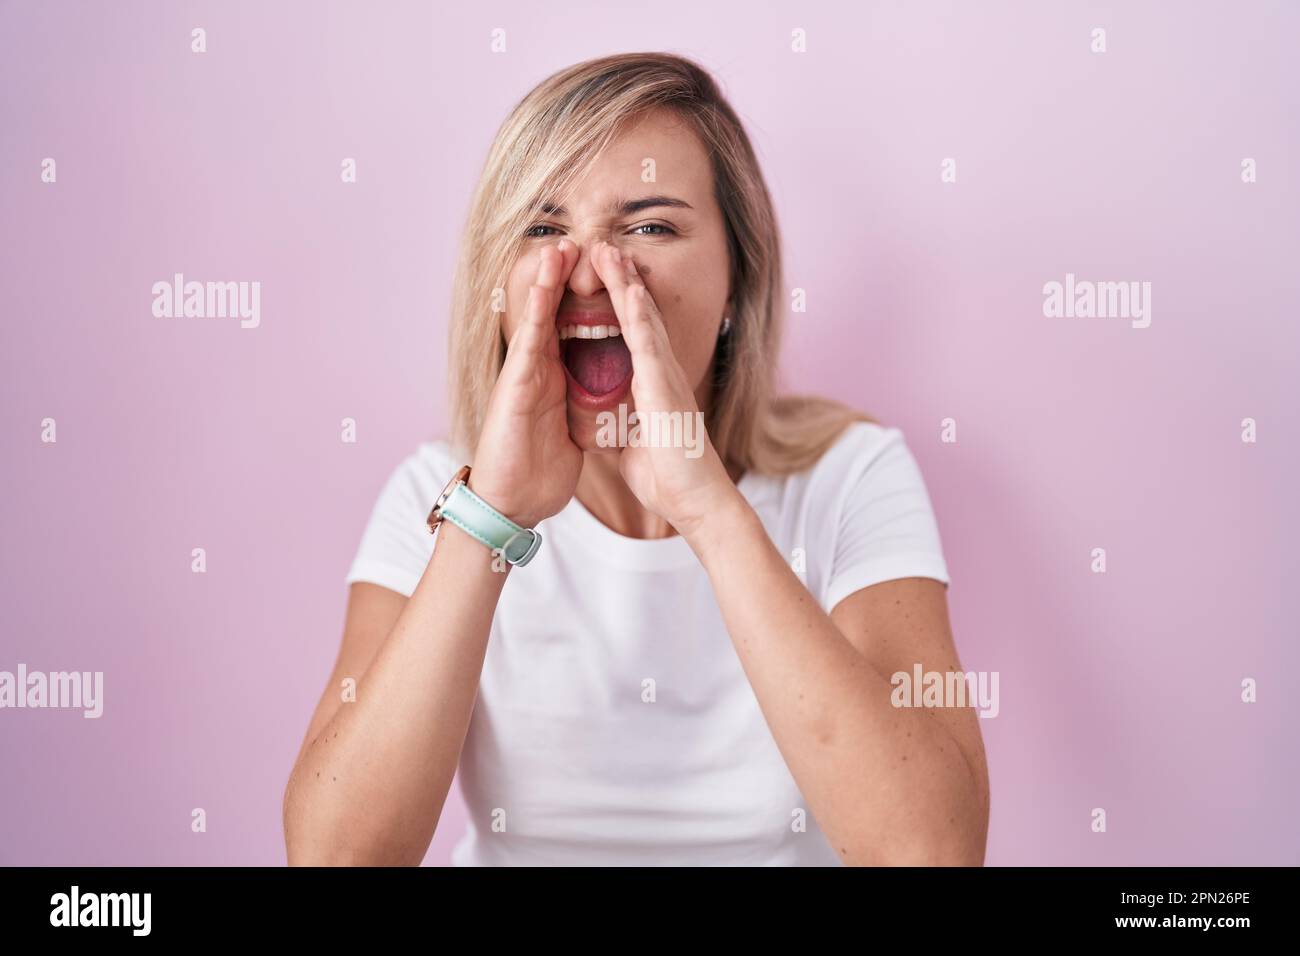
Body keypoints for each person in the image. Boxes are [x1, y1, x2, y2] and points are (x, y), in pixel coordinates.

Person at [283, 52, 990, 866]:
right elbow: (336, 857)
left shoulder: (852, 476)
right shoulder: (435, 495)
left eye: (650, 225)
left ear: (739, 282)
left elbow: (932, 851)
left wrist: (710, 509)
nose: (588, 272)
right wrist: (490, 521)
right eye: (543, 229)